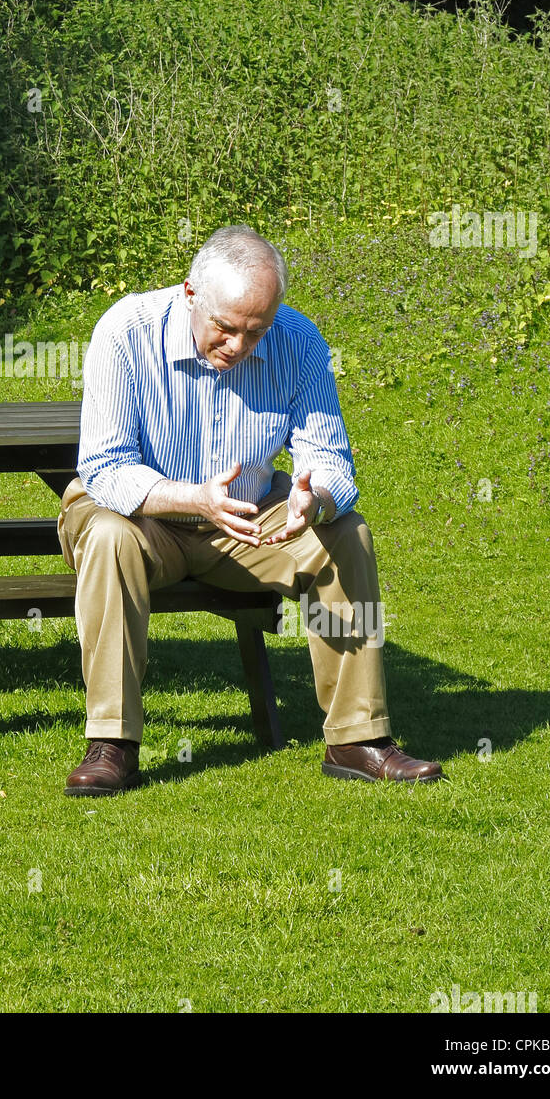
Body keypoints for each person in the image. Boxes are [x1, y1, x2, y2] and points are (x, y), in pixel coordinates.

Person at [56, 224, 443, 795]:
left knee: (347, 533)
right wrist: (194, 498)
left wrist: (316, 500)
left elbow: (329, 460)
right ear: (191, 293)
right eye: (226, 327)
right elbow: (106, 469)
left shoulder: (300, 341)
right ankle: (113, 743)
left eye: (256, 331)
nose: (238, 346)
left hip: (248, 519)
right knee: (109, 537)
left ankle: (357, 739)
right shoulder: (124, 332)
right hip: (139, 518)